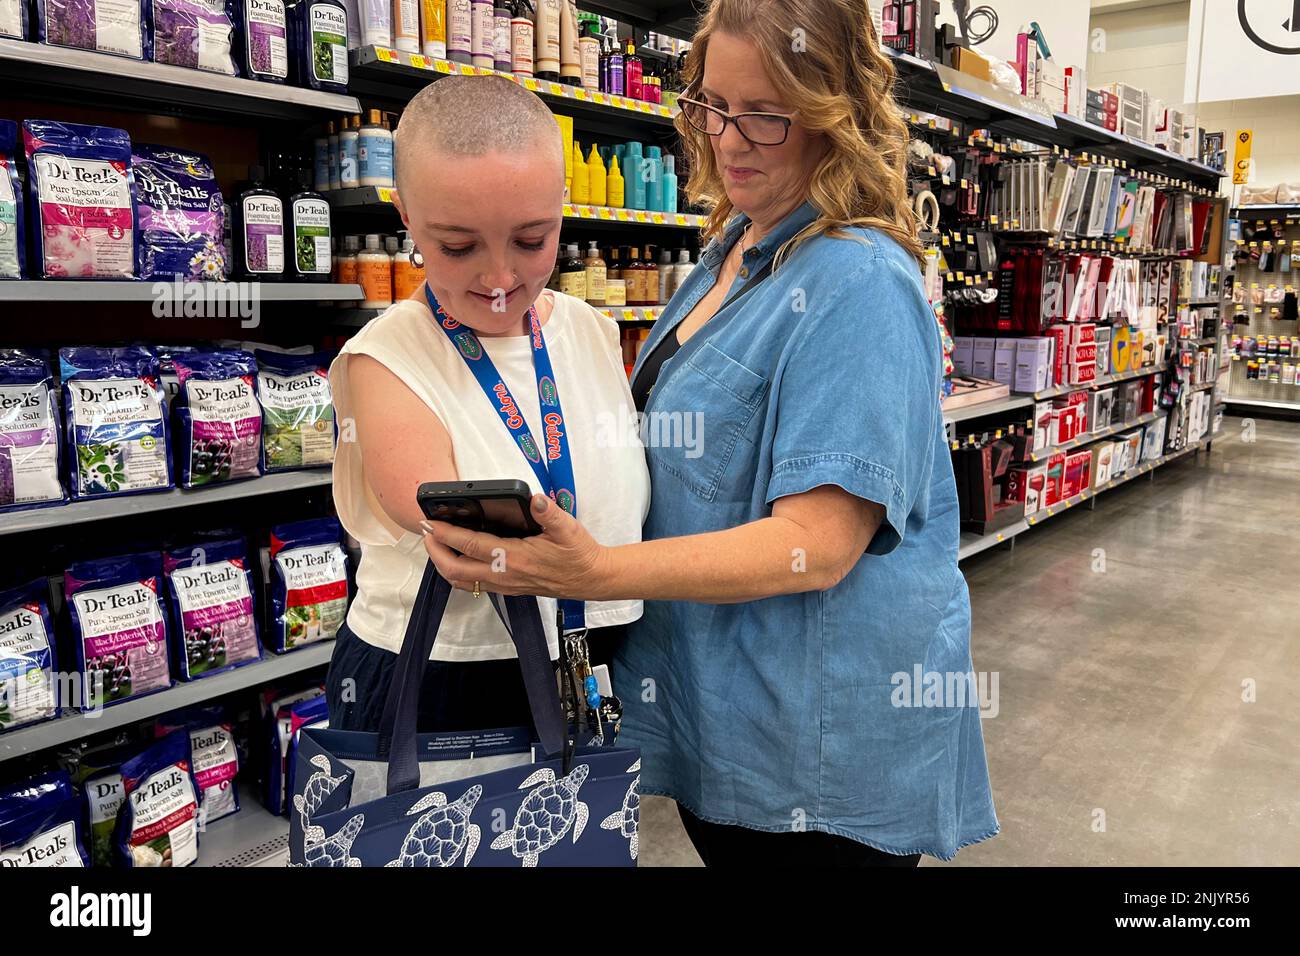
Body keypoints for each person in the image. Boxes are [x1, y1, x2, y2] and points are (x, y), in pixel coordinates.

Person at [422, 0, 997, 867]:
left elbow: (819, 545)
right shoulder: (737, 247)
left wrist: (599, 570)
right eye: (712, 105)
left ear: (832, 115)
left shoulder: (860, 283)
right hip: (725, 715)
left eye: (765, 114)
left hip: (812, 754)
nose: (729, 141)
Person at [325, 75, 649, 733]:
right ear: (407, 217)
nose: (500, 280)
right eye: (458, 245)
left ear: (562, 206)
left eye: (532, 240)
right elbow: (445, 518)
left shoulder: (589, 329)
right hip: (443, 677)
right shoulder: (385, 357)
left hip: (588, 659)